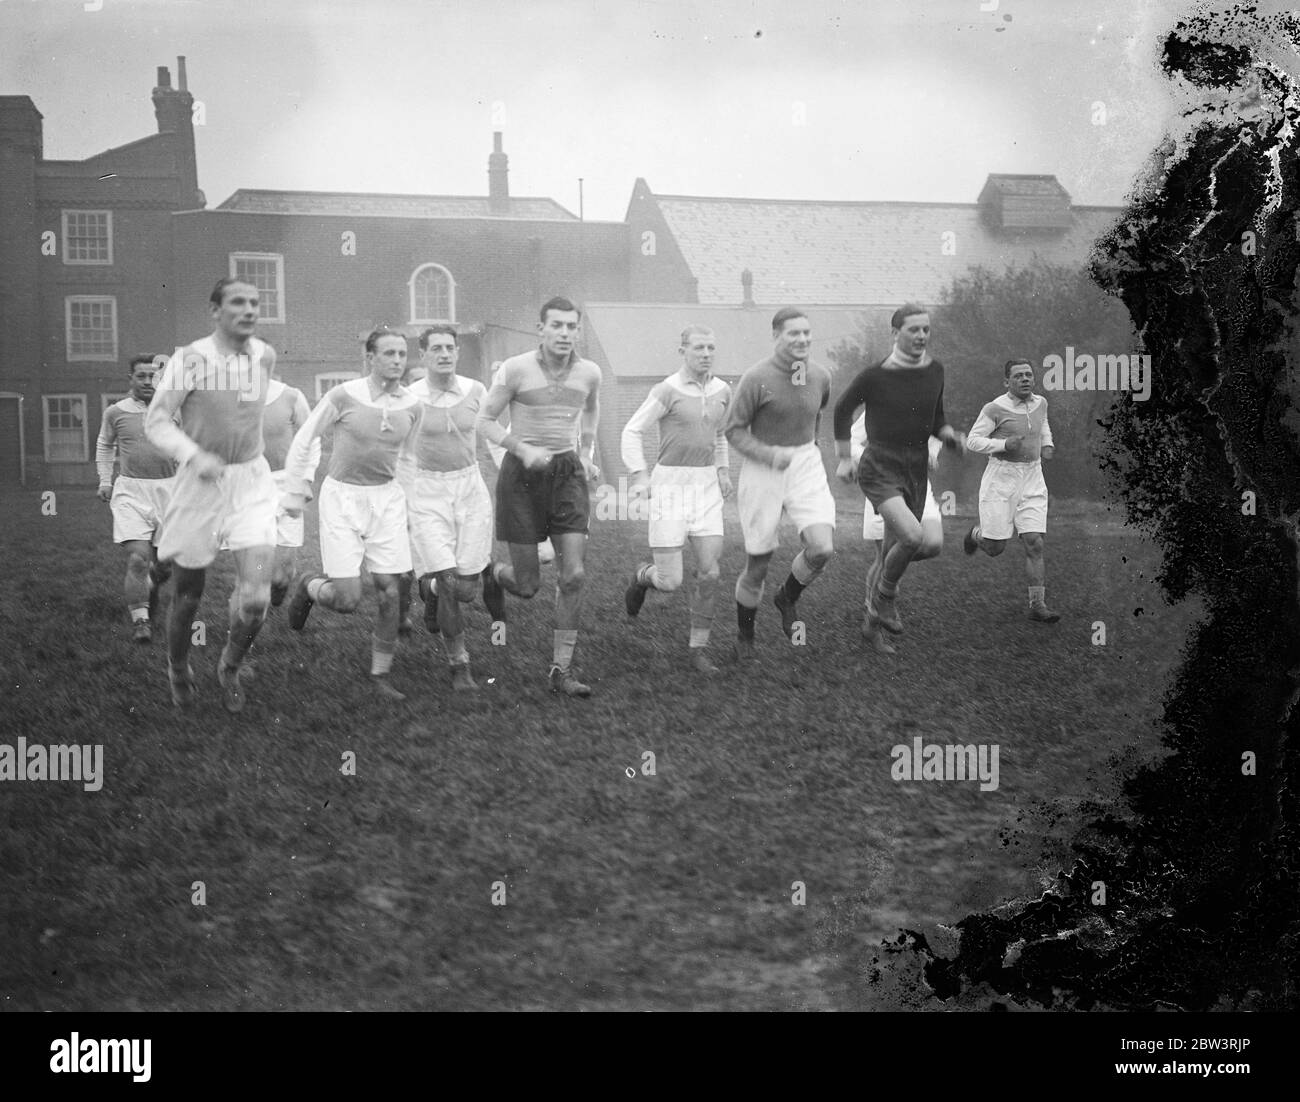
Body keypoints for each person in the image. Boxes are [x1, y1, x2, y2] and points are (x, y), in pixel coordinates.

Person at [145, 278, 278, 712]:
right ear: (215, 311)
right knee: (188, 592)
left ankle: (231, 664)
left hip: (252, 486)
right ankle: (178, 669)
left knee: (256, 597)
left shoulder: (265, 355)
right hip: (200, 485)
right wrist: (194, 454)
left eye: (256, 303)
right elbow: (158, 420)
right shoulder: (191, 359)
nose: (249, 310)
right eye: (238, 302)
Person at [281, 329, 424, 701]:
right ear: (369, 357)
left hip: (387, 501)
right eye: (389, 353)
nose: (397, 360)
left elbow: (408, 458)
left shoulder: (413, 405)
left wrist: (407, 504)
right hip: (342, 499)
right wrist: (296, 488)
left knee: (391, 591)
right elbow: (305, 438)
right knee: (347, 600)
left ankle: (380, 674)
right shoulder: (343, 395)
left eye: (402, 354)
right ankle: (311, 587)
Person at [475, 296, 602, 697]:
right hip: (522, 476)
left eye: (571, 326)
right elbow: (484, 420)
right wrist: (522, 448)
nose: (565, 333)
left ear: (578, 330)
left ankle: (560, 670)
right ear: (540, 329)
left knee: (574, 575)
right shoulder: (515, 369)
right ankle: (493, 574)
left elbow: (591, 410)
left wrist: (585, 454)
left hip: (566, 474)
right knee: (527, 585)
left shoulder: (589, 373)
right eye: (557, 325)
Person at [833, 303, 965, 638]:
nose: (922, 335)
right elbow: (842, 409)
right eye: (914, 329)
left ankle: (872, 619)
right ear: (895, 333)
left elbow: (937, 419)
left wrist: (949, 437)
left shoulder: (936, 370)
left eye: (926, 329)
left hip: (916, 468)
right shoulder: (875, 375)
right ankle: (883, 599)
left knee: (901, 546)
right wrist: (846, 457)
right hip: (879, 466)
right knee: (912, 536)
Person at [723, 307, 836, 657]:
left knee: (822, 548)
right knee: (758, 562)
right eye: (793, 334)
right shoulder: (756, 377)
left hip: (805, 462)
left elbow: (815, 414)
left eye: (806, 333)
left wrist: (807, 449)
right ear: (776, 337)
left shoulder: (820, 376)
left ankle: (787, 596)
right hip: (764, 466)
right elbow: (733, 430)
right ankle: (745, 637)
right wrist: (770, 455)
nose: (802, 339)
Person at [621, 325, 733, 674]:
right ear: (682, 350)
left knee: (710, 573)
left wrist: (723, 470)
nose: (706, 353)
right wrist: (639, 473)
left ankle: (698, 649)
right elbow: (631, 429)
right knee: (670, 582)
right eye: (699, 347)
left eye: (711, 347)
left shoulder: (722, 390)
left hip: (706, 488)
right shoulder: (666, 390)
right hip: (669, 486)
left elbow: (720, 435)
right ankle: (643, 577)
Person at [399, 325, 492, 691]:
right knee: (453, 583)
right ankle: (459, 665)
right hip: (426, 491)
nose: (444, 354)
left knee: (466, 588)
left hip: (469, 488)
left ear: (458, 352)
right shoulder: (409, 398)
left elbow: (493, 436)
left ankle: (432, 589)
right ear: (422, 355)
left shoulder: (476, 391)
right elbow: (400, 454)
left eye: (450, 347)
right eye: (435, 348)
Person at [962, 358, 1061, 622]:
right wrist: (1004, 444)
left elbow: (1044, 425)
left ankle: (1037, 605)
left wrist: (1047, 444)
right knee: (995, 548)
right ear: (1007, 381)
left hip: (1033, 476)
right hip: (1001, 479)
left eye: (1029, 374)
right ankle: (976, 535)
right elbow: (972, 441)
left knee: (1035, 543)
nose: (1026, 379)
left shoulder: (1041, 402)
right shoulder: (994, 408)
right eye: (1018, 376)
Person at [96, 354, 176, 643]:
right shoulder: (115, 412)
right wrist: (105, 480)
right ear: (130, 379)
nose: (146, 381)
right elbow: (105, 446)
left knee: (165, 563)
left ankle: (154, 577)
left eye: (152, 376)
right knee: (138, 559)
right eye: (140, 376)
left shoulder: (174, 409)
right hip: (131, 492)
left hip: (170, 491)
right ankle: (141, 622)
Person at [851, 413, 943, 654]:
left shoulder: (929, 395)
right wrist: (875, 462)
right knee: (884, 558)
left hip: (919, 484)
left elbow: (937, 433)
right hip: (884, 483)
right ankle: (872, 625)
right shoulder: (881, 395)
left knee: (932, 543)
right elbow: (852, 439)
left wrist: (932, 454)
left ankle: (881, 596)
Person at [486, 360, 556, 566]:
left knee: (569, 560)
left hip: (561, 485)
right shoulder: (521, 423)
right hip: (528, 488)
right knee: (546, 556)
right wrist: (507, 467)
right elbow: (495, 440)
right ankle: (497, 571)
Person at [260, 367, 319, 607]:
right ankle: (253, 605)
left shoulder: (291, 396)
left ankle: (278, 588)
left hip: (285, 485)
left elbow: (311, 438)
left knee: (281, 577)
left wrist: (305, 480)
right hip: (247, 487)